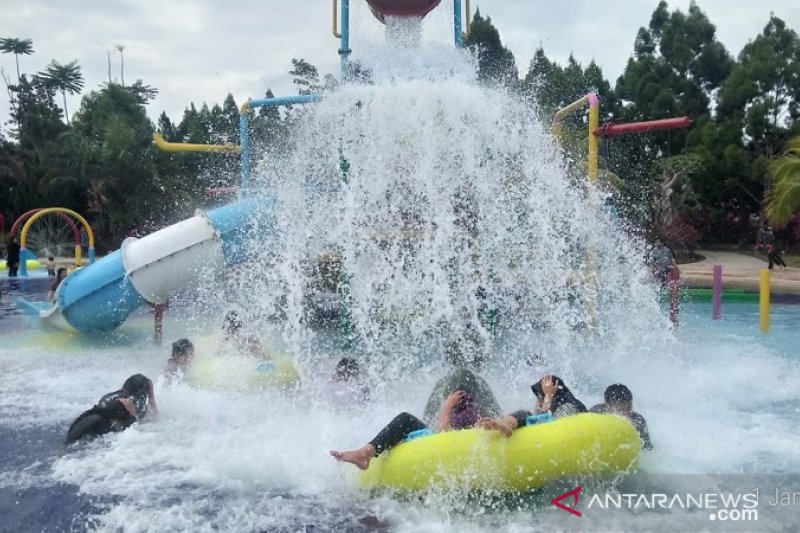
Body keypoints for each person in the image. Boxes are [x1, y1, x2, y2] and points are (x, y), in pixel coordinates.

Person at [330, 390, 480, 470]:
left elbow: (443, 436)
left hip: (440, 449)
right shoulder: (470, 413)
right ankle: (365, 454)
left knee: (405, 419)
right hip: (437, 445)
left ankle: (364, 455)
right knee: (405, 421)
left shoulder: (468, 413)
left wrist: (447, 405)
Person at [477, 374, 586, 437]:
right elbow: (536, 417)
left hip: (558, 440)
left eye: (540, 397)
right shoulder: (554, 406)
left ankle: (504, 425)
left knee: (527, 415)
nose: (539, 402)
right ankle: (502, 424)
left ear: (555, 394)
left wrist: (548, 396)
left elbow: (542, 427)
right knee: (526, 414)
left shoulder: (569, 406)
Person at [421, 340, 501, 425]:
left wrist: (447, 406)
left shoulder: (442, 384)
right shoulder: (480, 383)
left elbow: (429, 423)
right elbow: (497, 416)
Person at [65, 374, 158, 445]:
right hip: (101, 427)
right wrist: (151, 395)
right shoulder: (130, 402)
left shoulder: (109, 396)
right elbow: (152, 418)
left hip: (82, 425)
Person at [590, 383, 653, 450]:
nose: (629, 411)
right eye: (622, 409)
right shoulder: (595, 414)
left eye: (630, 406)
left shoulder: (638, 420)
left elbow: (648, 449)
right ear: (607, 405)